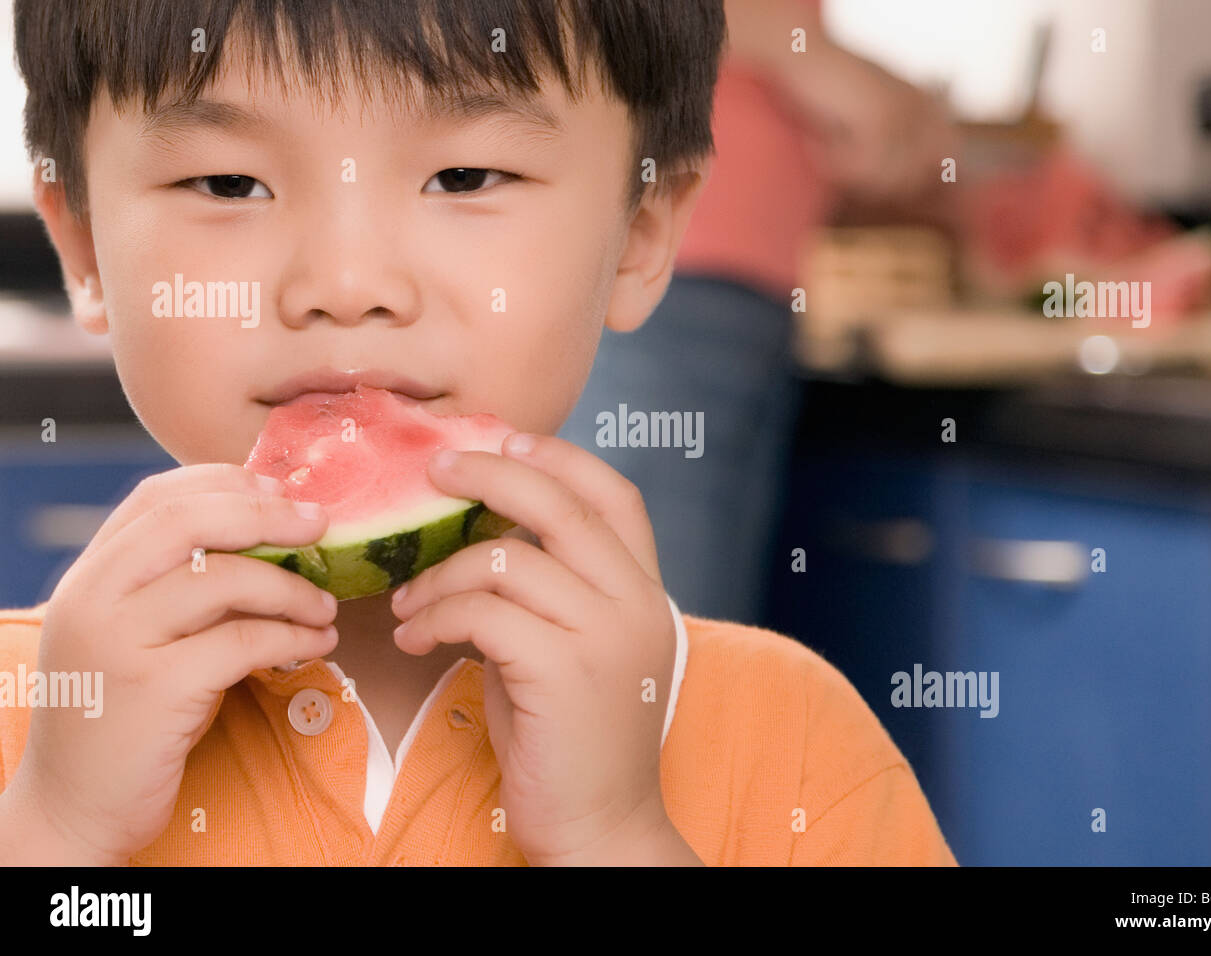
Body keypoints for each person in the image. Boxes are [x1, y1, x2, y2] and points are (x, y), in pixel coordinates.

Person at [0, 0, 955, 867]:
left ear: (642, 233)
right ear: (84, 247)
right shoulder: (22, 721)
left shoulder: (794, 743)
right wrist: (57, 828)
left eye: (462, 175)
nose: (346, 283)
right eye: (228, 182)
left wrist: (612, 837)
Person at [561, 0, 957, 624]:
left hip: (734, 298)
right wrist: (801, 50)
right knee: (659, 665)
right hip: (661, 289)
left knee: (699, 658)